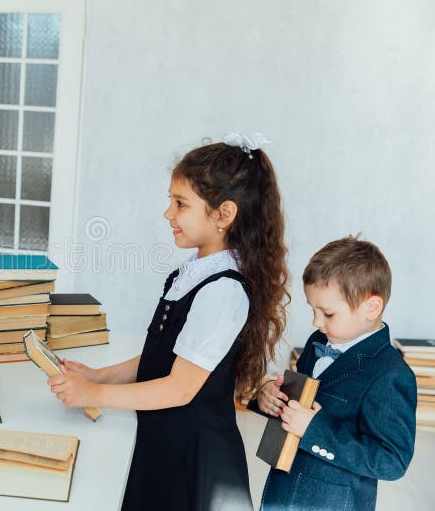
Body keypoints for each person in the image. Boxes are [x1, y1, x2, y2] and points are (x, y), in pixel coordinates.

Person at [48, 133, 290, 510]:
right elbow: (162, 356)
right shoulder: (192, 273)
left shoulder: (222, 290)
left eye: (181, 204)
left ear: (223, 214)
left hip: (194, 458)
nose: (168, 214)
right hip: (165, 441)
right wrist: (99, 376)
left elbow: (179, 388)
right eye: (170, 202)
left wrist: (94, 395)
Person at [255, 236, 416, 510]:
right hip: (280, 494)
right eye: (313, 310)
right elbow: (300, 401)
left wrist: (314, 430)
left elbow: (391, 461)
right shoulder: (317, 342)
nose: (316, 322)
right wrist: (270, 397)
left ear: (371, 307)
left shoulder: (390, 374)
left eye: (328, 314)